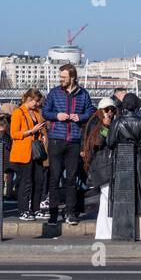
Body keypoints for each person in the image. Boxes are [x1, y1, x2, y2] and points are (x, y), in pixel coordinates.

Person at [43, 63, 94, 226]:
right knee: (54, 178)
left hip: (74, 141)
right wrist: (57, 115)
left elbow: (90, 112)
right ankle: (53, 213)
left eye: (63, 77)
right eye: (60, 77)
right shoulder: (54, 93)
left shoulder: (83, 94)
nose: (61, 79)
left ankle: (70, 213)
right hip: (56, 140)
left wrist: (81, 117)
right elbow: (45, 112)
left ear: (72, 77)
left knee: (72, 179)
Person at [105, 92, 141, 240]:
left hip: (121, 160)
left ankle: (121, 229)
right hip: (138, 159)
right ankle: (140, 232)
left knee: (121, 193)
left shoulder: (117, 123)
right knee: (140, 194)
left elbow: (110, 142)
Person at [10, 89, 49, 222]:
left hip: (36, 152)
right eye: (36, 101)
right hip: (24, 152)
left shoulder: (37, 113)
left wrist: (42, 132)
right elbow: (14, 134)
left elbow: (41, 127)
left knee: (38, 180)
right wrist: (30, 131)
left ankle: (35, 208)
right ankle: (23, 210)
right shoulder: (18, 112)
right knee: (26, 182)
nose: (38, 104)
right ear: (29, 99)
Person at [82, 99, 117, 240]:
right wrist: (106, 126)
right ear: (101, 109)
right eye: (107, 109)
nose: (110, 112)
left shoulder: (93, 122)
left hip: (101, 165)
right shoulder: (98, 124)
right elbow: (98, 142)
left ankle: (103, 232)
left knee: (105, 200)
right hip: (102, 166)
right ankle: (106, 232)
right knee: (108, 198)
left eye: (113, 110)